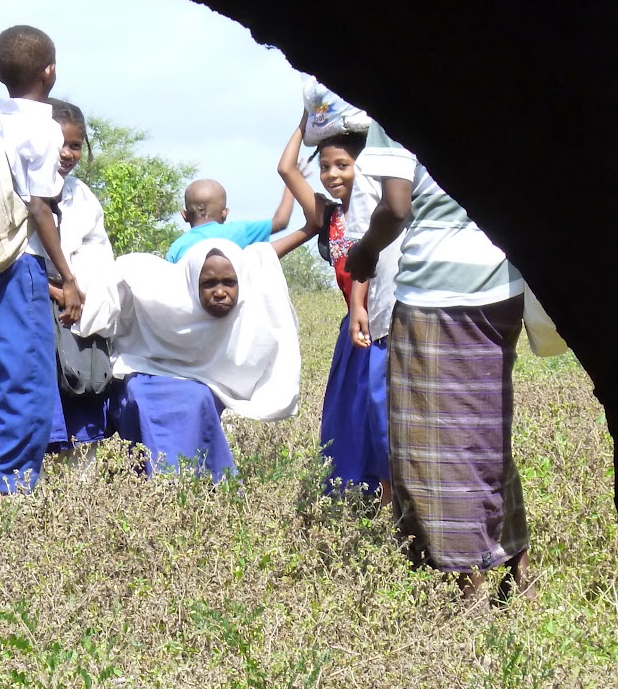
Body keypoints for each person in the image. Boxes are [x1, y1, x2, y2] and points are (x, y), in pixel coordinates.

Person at [345, 123, 531, 603]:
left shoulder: (395, 106)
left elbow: (396, 207)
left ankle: (464, 586)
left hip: (435, 291)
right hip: (502, 283)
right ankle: (517, 565)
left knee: (429, 448)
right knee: (484, 433)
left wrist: (364, 252)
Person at [0, 25, 83, 500]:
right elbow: (39, 207)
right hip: (19, 262)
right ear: (49, 72)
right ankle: (12, 487)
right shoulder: (44, 128)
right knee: (29, 375)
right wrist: (67, 276)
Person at [110, 238, 300, 482]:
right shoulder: (168, 306)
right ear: (192, 284)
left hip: (201, 390)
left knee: (198, 398)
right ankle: (156, 488)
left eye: (229, 283)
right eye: (208, 284)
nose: (220, 292)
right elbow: (124, 277)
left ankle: (201, 488)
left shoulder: (252, 317)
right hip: (153, 373)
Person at [279, 115, 390, 497]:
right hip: (353, 329)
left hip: (383, 321)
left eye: (342, 165)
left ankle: (387, 491)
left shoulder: (383, 213)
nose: (331, 175)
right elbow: (286, 168)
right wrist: (307, 119)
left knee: (378, 412)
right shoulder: (329, 216)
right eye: (325, 167)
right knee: (348, 416)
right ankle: (354, 493)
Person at [44, 99, 119, 459]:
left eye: (75, 145)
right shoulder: (18, 189)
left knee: (83, 384)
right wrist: (54, 290)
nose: (66, 153)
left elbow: (100, 255)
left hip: (81, 311)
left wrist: (84, 295)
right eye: (59, 143)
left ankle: (79, 496)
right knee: (43, 394)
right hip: (38, 306)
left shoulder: (83, 197)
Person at [166, 178, 295, 264]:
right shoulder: (239, 231)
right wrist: (292, 182)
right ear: (225, 213)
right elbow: (280, 221)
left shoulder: (177, 248)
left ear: (184, 215)